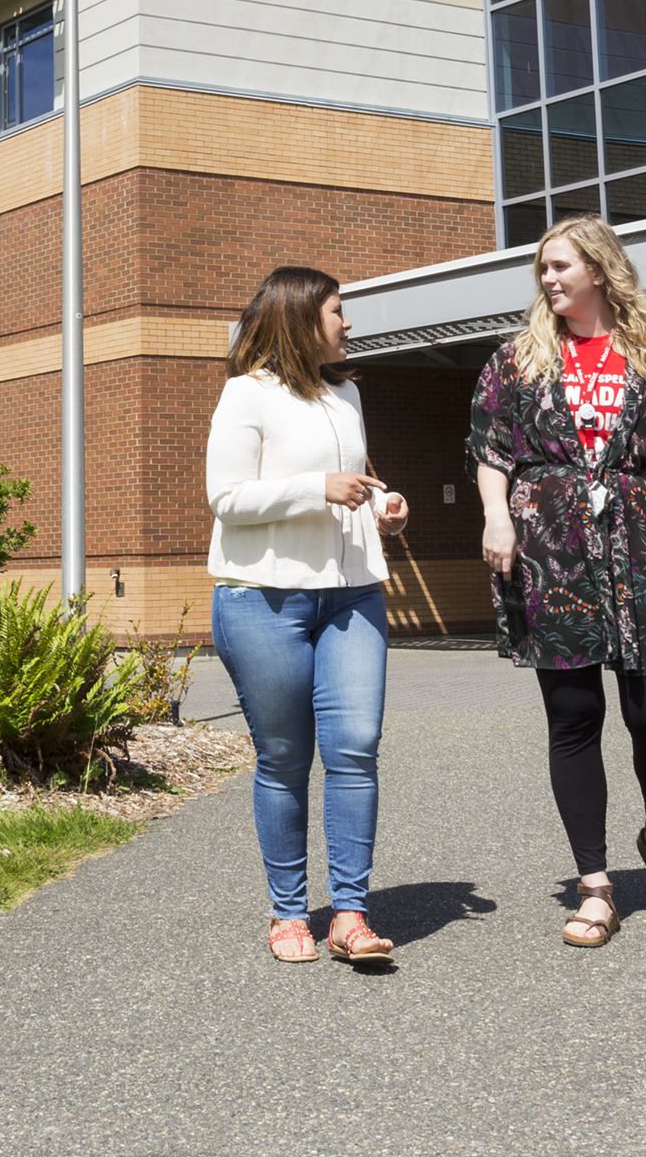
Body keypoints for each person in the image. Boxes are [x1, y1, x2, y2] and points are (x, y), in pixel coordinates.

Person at [471, 214, 646, 947]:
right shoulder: (517, 359)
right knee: (574, 715)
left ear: (600, 269)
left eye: (561, 267)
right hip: (550, 552)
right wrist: (496, 518)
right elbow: (490, 449)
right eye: (543, 270)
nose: (549, 280)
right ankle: (593, 884)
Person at [206, 266, 411, 965]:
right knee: (286, 758)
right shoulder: (246, 395)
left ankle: (350, 915)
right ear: (298, 320)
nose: (348, 324)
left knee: (355, 748)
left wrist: (382, 505)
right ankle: (288, 913)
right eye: (336, 313)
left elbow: (354, 479)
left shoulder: (346, 394)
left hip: (352, 592)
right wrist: (315, 489)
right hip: (262, 597)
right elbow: (226, 497)